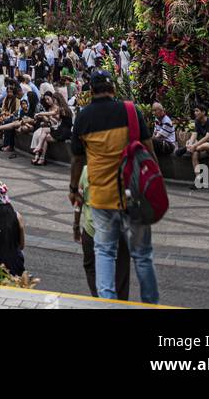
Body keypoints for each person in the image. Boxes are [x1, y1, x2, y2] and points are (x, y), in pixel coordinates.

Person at [68, 70, 160, 305]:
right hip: (133, 197)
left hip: (102, 199)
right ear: (113, 89)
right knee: (142, 256)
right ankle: (151, 303)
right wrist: (155, 183)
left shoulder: (83, 117)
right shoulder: (131, 111)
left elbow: (77, 160)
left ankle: (108, 304)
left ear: (91, 92)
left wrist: (73, 188)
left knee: (105, 253)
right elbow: (149, 152)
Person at [74, 164, 130, 300]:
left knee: (91, 266)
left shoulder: (86, 170)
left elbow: (78, 202)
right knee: (121, 270)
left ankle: (99, 299)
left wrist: (76, 225)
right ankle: (120, 303)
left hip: (92, 230)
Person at [184, 103, 209, 175]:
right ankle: (199, 180)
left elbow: (207, 137)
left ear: (203, 112)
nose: (195, 113)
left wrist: (194, 146)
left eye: (197, 111)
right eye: (194, 111)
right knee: (194, 154)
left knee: (206, 145)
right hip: (204, 151)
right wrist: (190, 143)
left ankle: (192, 149)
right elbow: (194, 134)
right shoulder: (197, 122)